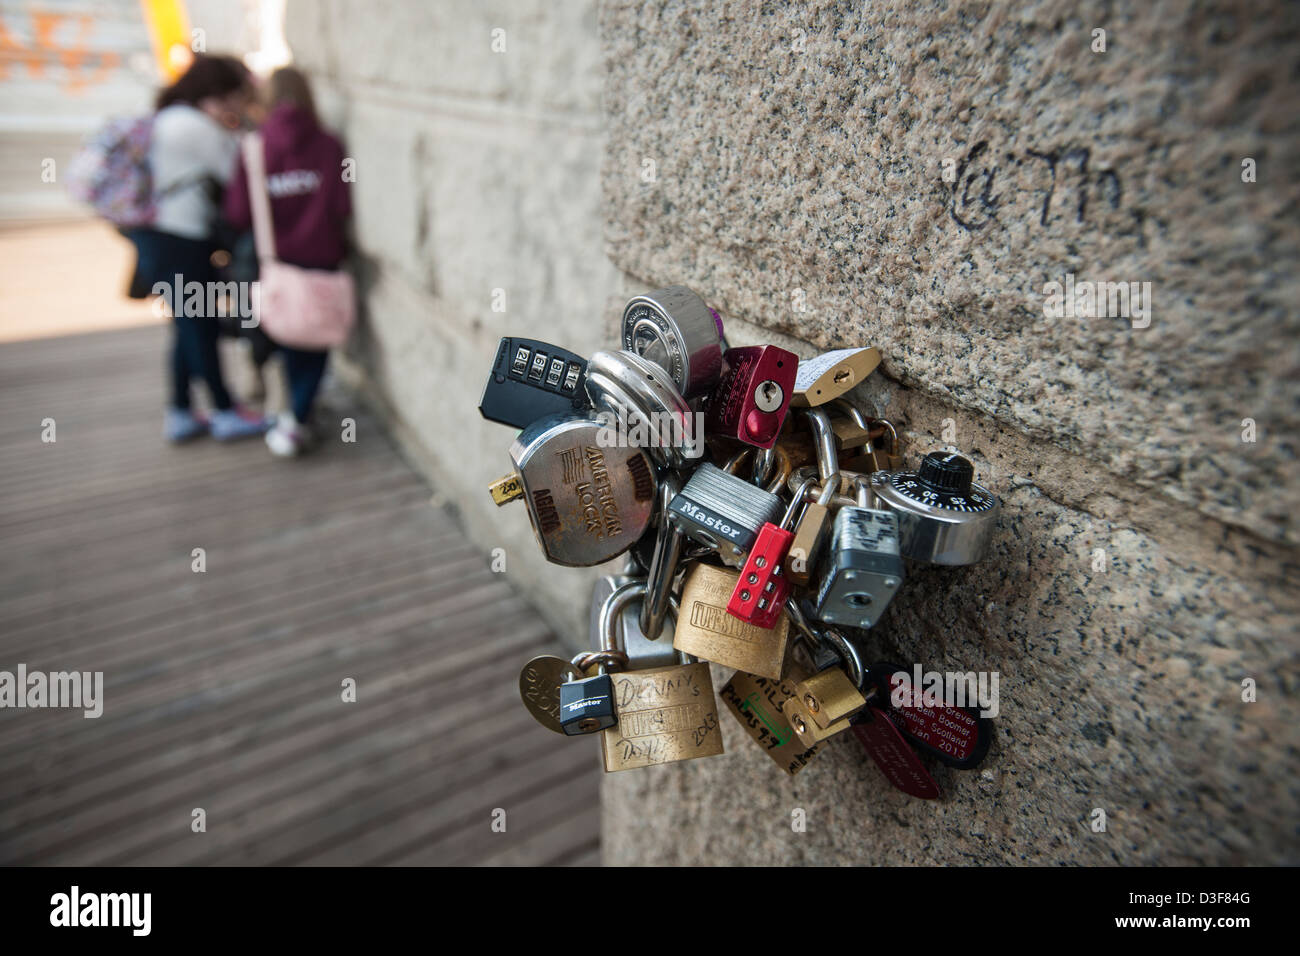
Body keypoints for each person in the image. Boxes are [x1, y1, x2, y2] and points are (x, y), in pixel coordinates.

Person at [223, 67, 352, 457]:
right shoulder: (328, 144)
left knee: (290, 337)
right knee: (315, 340)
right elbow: (341, 205)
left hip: (277, 263)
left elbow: (238, 213)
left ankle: (294, 415)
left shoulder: (253, 147)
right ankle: (298, 414)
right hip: (321, 259)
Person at [145, 54, 269, 443]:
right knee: (198, 324)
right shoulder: (196, 127)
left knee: (186, 326)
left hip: (159, 235)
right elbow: (239, 168)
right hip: (183, 237)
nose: (239, 104)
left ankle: (180, 411)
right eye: (236, 96)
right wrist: (242, 125)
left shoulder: (168, 117)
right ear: (218, 94)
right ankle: (224, 411)